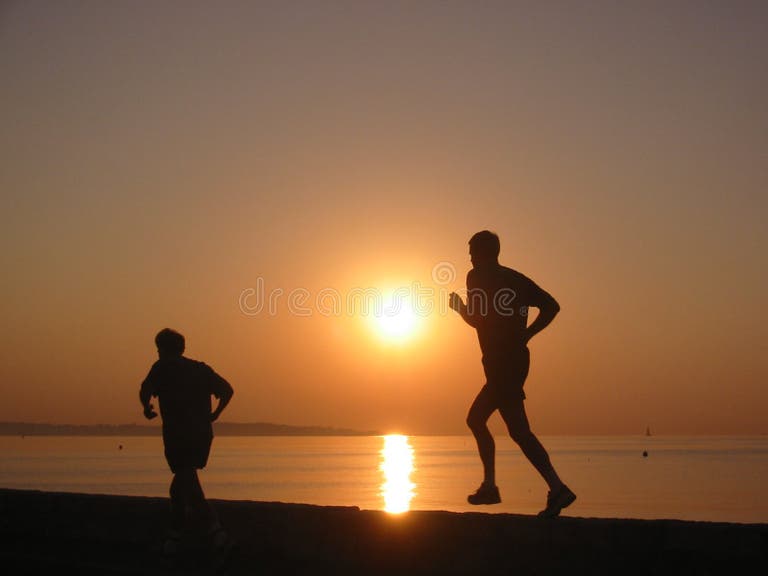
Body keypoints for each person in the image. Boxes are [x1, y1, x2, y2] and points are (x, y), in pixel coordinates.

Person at [448, 230, 576, 518]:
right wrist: (526, 334)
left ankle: (493, 487)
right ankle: (556, 488)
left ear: (483, 253)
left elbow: (477, 319)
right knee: (517, 430)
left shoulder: (476, 277)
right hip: (514, 362)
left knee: (479, 420)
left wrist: (459, 309)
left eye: (472, 252)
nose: (469, 257)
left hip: (502, 365)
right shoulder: (516, 279)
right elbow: (552, 306)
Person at [139, 328, 235, 556]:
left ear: (163, 349)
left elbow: (145, 389)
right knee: (180, 486)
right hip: (202, 435)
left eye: (159, 349)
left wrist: (147, 408)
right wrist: (216, 413)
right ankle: (175, 537)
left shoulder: (161, 367)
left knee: (187, 481)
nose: (158, 353)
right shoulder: (200, 369)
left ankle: (216, 533)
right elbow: (227, 390)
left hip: (178, 435)